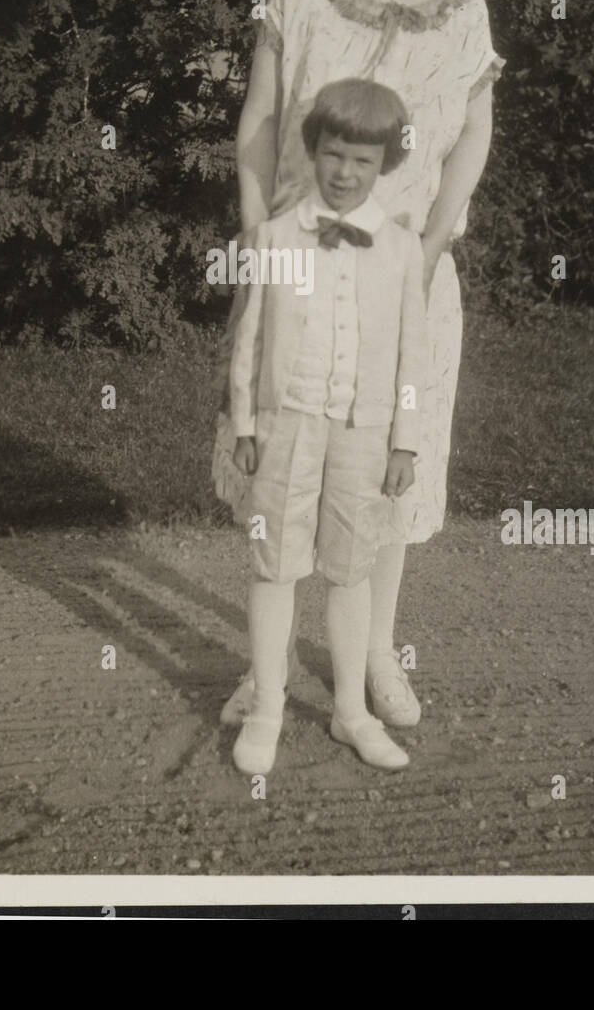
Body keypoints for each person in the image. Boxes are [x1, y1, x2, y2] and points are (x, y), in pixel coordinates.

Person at [213, 0, 504, 730]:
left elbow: (474, 134)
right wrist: (260, 235)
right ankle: (266, 677)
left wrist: (425, 253)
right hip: (297, 268)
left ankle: (374, 657)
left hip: (405, 279)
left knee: (381, 471)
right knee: (285, 466)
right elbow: (261, 116)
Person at [228, 78, 427, 775]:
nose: (345, 173)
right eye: (334, 154)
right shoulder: (277, 236)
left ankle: (351, 711)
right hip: (288, 426)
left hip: (364, 432)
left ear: (385, 166)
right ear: (313, 150)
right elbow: (249, 337)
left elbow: (413, 352)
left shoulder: (402, 250)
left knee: (350, 572)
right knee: (275, 563)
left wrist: (405, 439)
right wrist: (246, 423)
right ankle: (267, 709)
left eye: (362, 162)